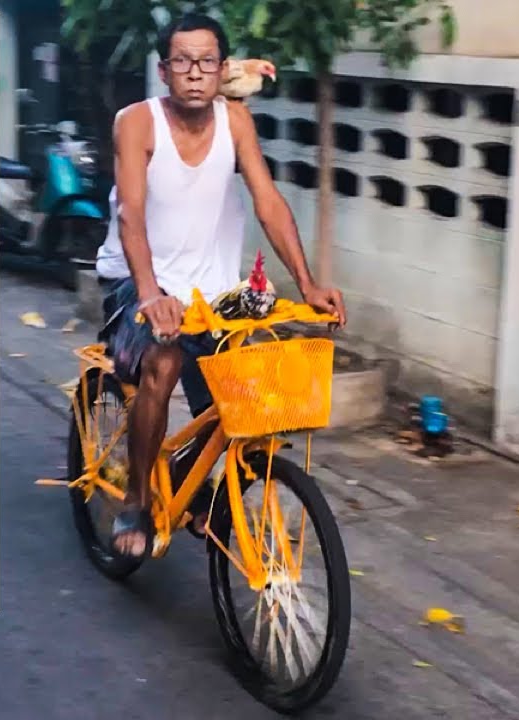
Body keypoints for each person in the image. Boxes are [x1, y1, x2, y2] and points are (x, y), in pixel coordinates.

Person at [94, 13, 348, 558]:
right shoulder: (136, 123)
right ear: (164, 71)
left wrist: (306, 283)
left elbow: (268, 201)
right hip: (137, 285)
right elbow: (130, 216)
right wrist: (149, 294)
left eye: (206, 61)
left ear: (221, 69)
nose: (194, 73)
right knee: (163, 362)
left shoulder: (235, 123)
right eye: (182, 61)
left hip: (212, 294)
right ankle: (137, 500)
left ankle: (202, 485)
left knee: (241, 405)